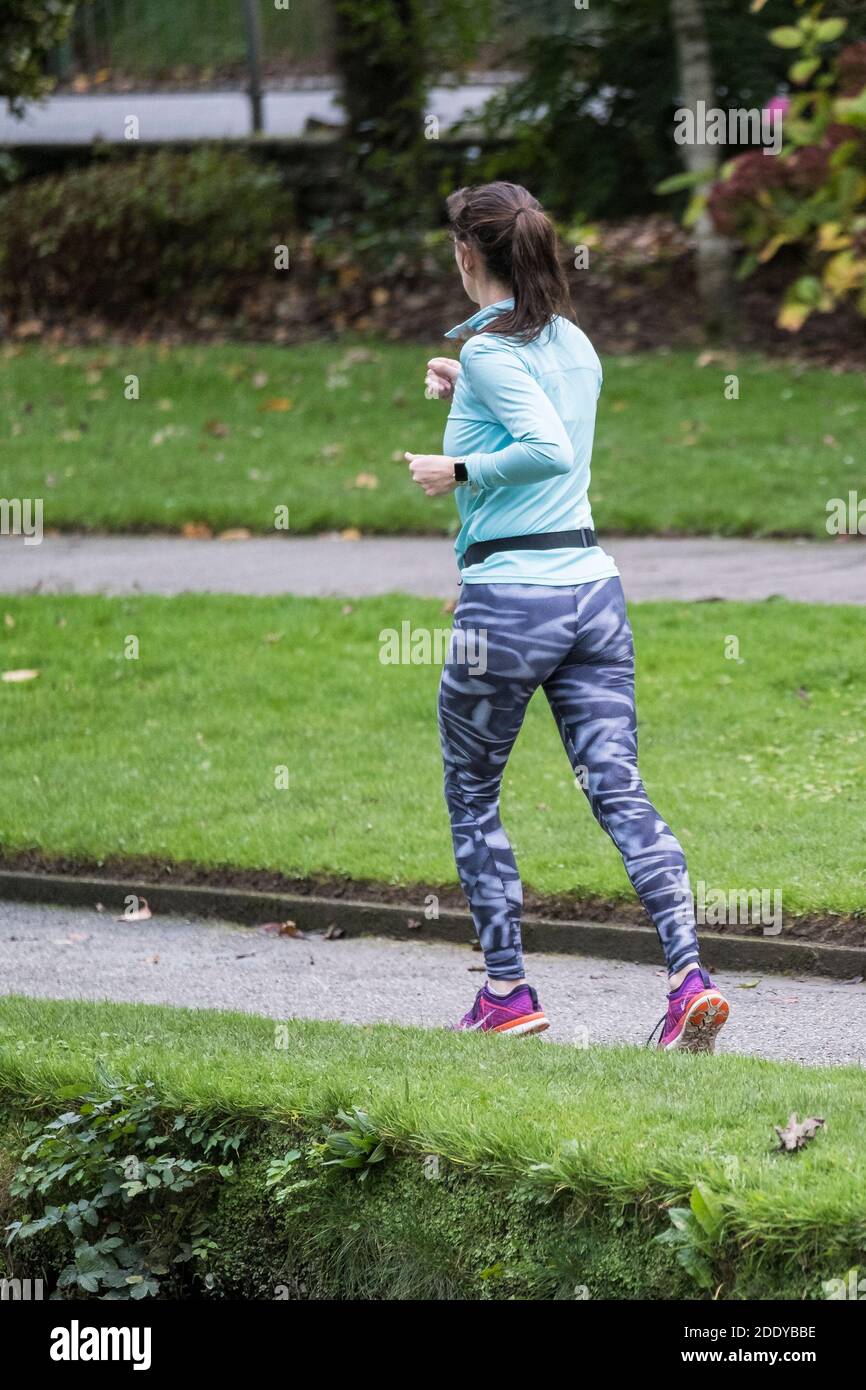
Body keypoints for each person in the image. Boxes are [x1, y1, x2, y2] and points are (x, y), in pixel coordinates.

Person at [403, 181, 729, 1053]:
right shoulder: (573, 342)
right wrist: (460, 388)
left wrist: (455, 471)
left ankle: (508, 992)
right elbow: (540, 411)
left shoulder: (490, 355)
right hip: (594, 595)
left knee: (473, 795)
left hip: (510, 603)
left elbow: (541, 446)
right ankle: (688, 979)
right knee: (617, 788)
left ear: (469, 255)